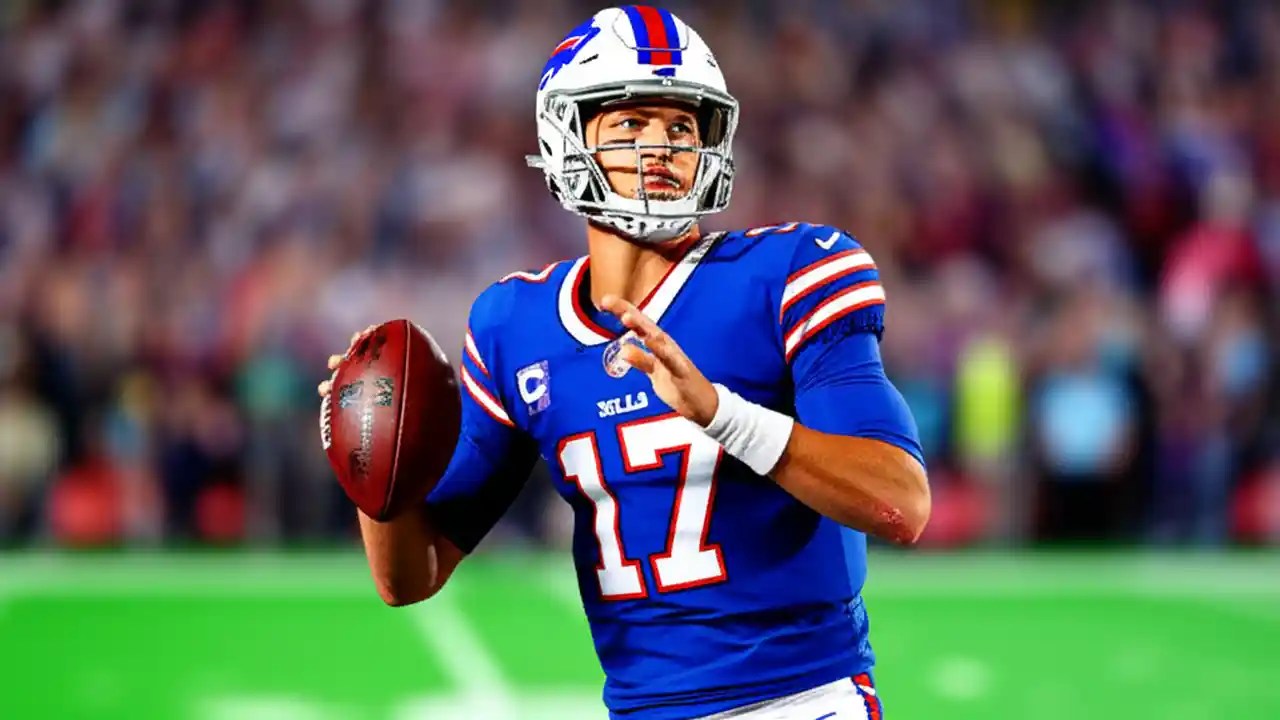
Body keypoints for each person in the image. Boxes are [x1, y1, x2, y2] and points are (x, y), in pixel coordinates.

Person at [319, 6, 929, 719]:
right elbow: (412, 574)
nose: (662, 148)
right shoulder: (514, 326)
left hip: (802, 699)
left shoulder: (792, 274)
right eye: (631, 125)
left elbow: (902, 504)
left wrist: (724, 415)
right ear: (565, 137)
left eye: (681, 126)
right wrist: (372, 468)